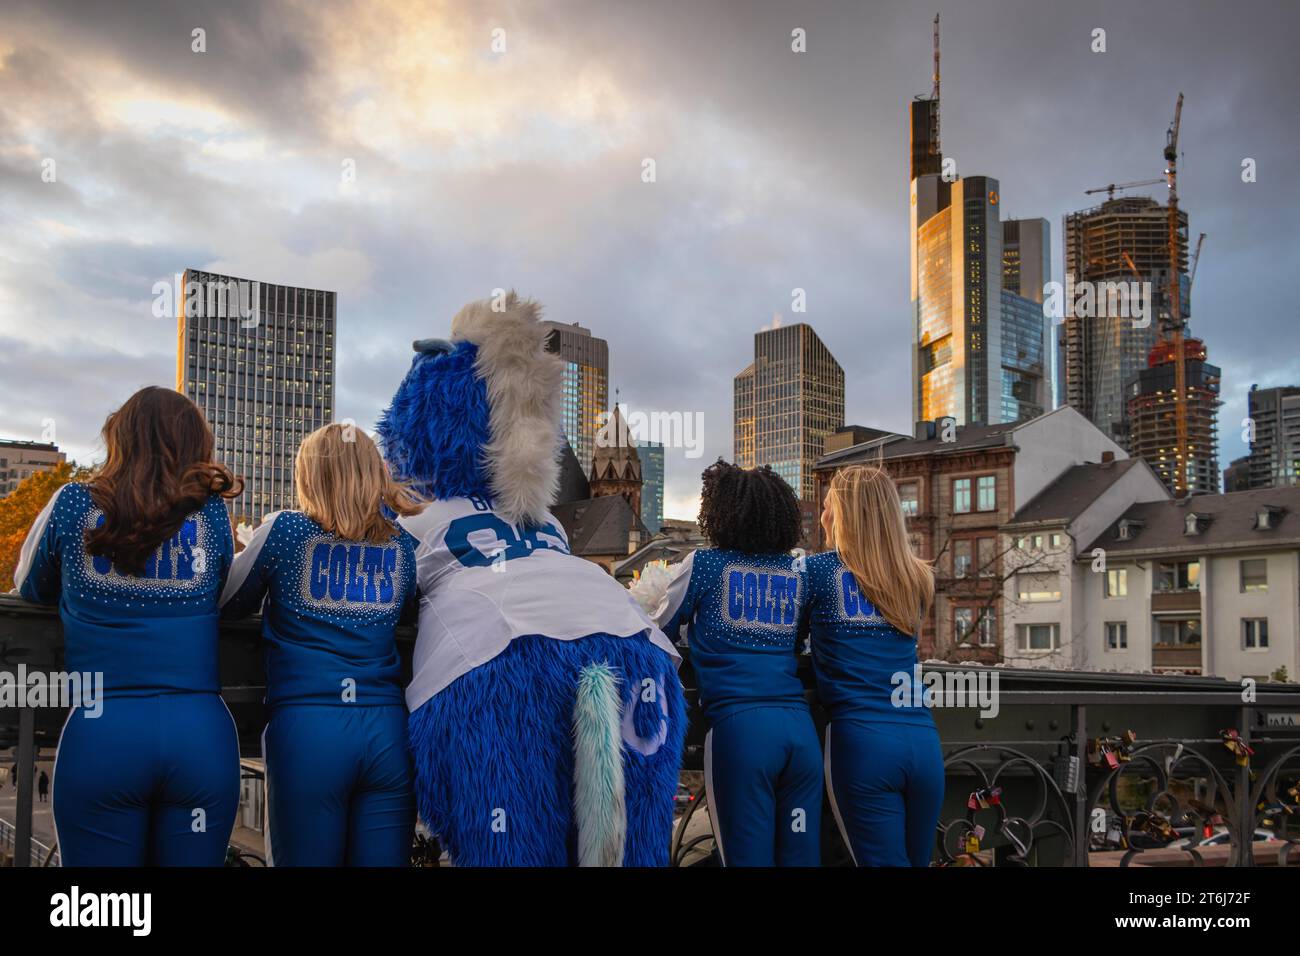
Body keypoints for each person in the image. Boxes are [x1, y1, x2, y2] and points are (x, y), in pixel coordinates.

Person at [16, 386, 242, 866]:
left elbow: (29, 585)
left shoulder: (73, 503)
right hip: (200, 732)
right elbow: (221, 590)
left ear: (120, 437)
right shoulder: (213, 514)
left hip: (103, 731)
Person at [221, 424, 423, 866]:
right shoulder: (405, 548)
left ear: (310, 477)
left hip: (309, 728)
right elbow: (410, 615)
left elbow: (230, 602)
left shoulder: (285, 532)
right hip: (388, 731)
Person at [654, 461, 821, 866]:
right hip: (801, 737)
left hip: (741, 732)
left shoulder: (705, 565)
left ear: (719, 513)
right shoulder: (798, 573)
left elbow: (656, 630)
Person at [802, 463, 944, 867]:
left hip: (863, 744)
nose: (824, 516)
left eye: (829, 507)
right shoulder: (917, 577)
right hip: (923, 743)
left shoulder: (817, 573)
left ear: (844, 515)